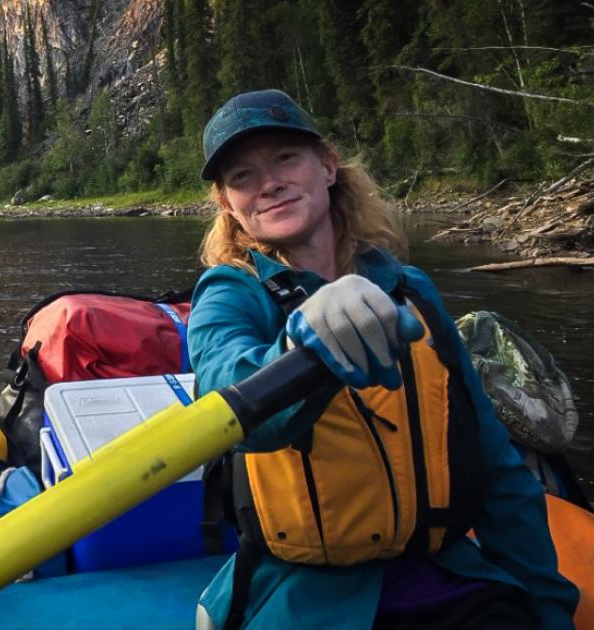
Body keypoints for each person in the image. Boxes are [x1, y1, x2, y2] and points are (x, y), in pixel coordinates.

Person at [187, 89, 578, 629]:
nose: (268, 183)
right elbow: (225, 400)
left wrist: (548, 608)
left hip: (440, 573)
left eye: (284, 158)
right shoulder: (230, 293)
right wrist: (301, 345)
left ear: (327, 168)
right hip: (307, 593)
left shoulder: (410, 288)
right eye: (242, 176)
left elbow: (495, 466)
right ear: (228, 204)